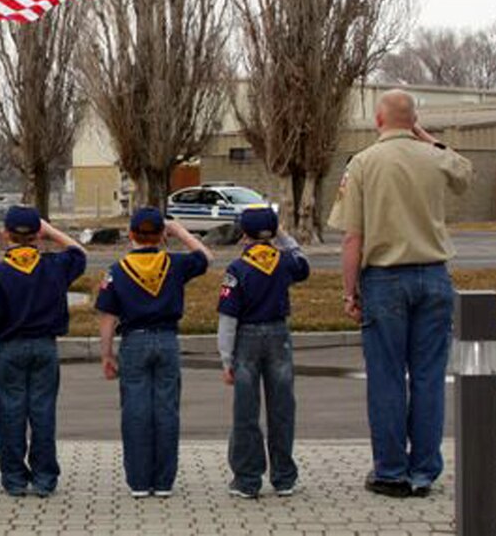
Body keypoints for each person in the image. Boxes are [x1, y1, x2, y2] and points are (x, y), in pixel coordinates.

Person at [327, 89, 473, 498]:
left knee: (387, 377)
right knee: (428, 377)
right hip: (435, 277)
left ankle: (391, 471)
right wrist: (423, 136)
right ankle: (424, 470)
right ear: (413, 122)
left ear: (377, 120)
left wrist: (349, 291)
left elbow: (352, 237)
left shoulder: (363, 164)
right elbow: (464, 172)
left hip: (385, 279)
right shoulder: (434, 156)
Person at [0, 206, 87, 497]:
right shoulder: (53, 266)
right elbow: (79, 253)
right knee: (43, 413)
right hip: (45, 347)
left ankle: (14, 478)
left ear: (4, 233)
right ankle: (45, 478)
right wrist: (51, 231)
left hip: (10, 349)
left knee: (10, 413)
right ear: (38, 235)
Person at [95, 207, 212, 498]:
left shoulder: (117, 270)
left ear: (131, 234)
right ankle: (163, 482)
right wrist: (180, 231)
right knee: (166, 410)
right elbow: (206, 257)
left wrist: (106, 353)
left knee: (135, 410)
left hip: (134, 341)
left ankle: (138, 481)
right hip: (168, 340)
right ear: (162, 236)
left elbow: (108, 317)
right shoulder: (174, 264)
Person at [217, 206, 310, 500]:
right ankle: (284, 477)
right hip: (279, 335)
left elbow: (228, 319)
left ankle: (247, 479)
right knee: (282, 408)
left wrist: (226, 358)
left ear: (244, 233)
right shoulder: (283, 262)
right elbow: (303, 263)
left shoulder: (237, 269)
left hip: (246, 338)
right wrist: (281, 235)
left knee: (246, 411)